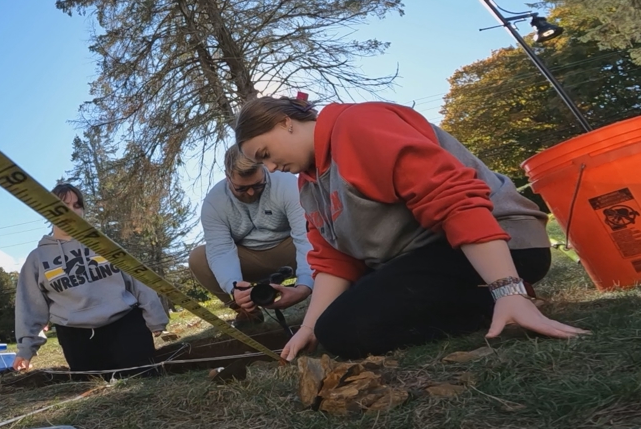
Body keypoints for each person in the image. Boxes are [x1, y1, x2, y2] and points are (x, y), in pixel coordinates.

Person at [234, 95, 588, 362]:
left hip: (503, 243)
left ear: (285, 122)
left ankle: (500, 296)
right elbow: (333, 260)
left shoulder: (359, 125)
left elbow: (453, 200)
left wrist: (506, 288)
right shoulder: (309, 184)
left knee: (346, 331)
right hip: (430, 258)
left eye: (265, 153)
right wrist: (308, 329)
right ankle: (487, 295)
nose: (271, 168)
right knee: (332, 331)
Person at [13, 183, 169, 374]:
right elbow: (29, 307)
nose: (71, 211)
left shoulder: (104, 244)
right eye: (63, 206)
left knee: (144, 380)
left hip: (126, 325)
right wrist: (26, 350)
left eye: (77, 205)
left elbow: (137, 282)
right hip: (77, 338)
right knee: (95, 393)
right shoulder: (37, 259)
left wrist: (156, 319)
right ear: (49, 212)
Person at [189, 145, 313, 322]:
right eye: (241, 188)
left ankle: (323, 293)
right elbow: (221, 250)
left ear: (263, 168)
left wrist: (305, 285)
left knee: (325, 234)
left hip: (289, 248)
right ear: (228, 177)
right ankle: (247, 310)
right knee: (199, 258)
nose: (250, 192)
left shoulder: (286, 183)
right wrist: (234, 287)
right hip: (250, 258)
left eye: (257, 185)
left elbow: (306, 236)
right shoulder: (214, 203)